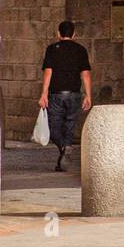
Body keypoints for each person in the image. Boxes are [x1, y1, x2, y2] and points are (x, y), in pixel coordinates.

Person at [39, 20, 92, 173]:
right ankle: (65, 150)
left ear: (58, 33)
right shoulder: (81, 50)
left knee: (52, 126)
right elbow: (86, 74)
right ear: (74, 34)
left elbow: (48, 72)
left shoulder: (52, 49)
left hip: (56, 93)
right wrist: (88, 95)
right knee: (69, 125)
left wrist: (44, 93)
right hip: (74, 94)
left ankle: (63, 148)